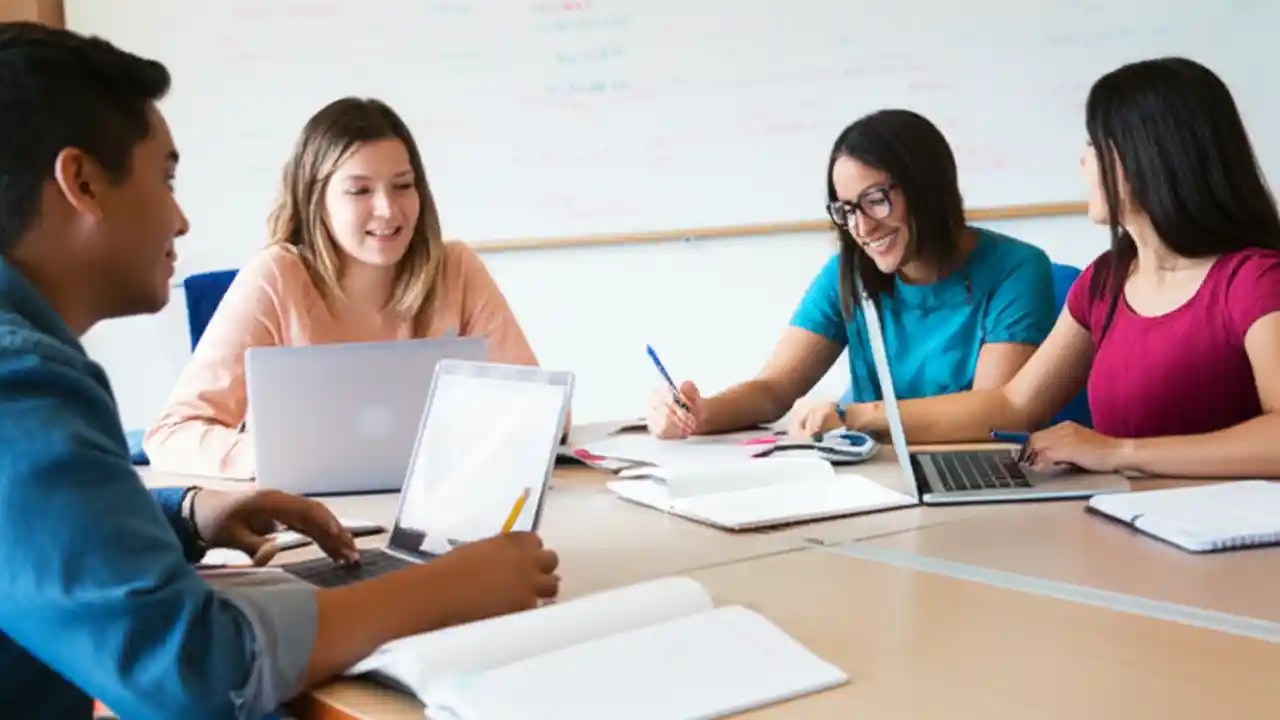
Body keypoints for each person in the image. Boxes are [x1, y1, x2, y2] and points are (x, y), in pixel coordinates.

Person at [0, 23, 558, 719]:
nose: (181, 219)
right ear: (81, 182)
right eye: (165, 179)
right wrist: (447, 589)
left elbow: (44, 531)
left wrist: (189, 513)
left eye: (402, 186)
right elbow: (196, 670)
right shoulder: (22, 384)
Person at [832, 58, 1280, 478]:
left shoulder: (1256, 281)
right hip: (1121, 515)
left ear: (1151, 154)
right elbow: (1015, 405)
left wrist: (1118, 452)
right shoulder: (1106, 281)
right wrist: (863, 416)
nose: (1083, 161)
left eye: (1094, 145)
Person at [143, 97, 540, 479]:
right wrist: (281, 459)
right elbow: (172, 434)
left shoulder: (456, 269)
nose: (387, 209)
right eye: (359, 191)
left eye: (402, 185)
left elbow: (539, 409)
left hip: (438, 502)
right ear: (316, 200)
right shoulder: (276, 276)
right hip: (313, 512)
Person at [645, 109, 1055, 439]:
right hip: (877, 480)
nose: (862, 228)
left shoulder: (1017, 269)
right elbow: (774, 389)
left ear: (927, 189)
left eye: (876, 200)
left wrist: (856, 417)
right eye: (847, 210)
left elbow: (993, 413)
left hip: (972, 482)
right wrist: (700, 414)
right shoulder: (849, 274)